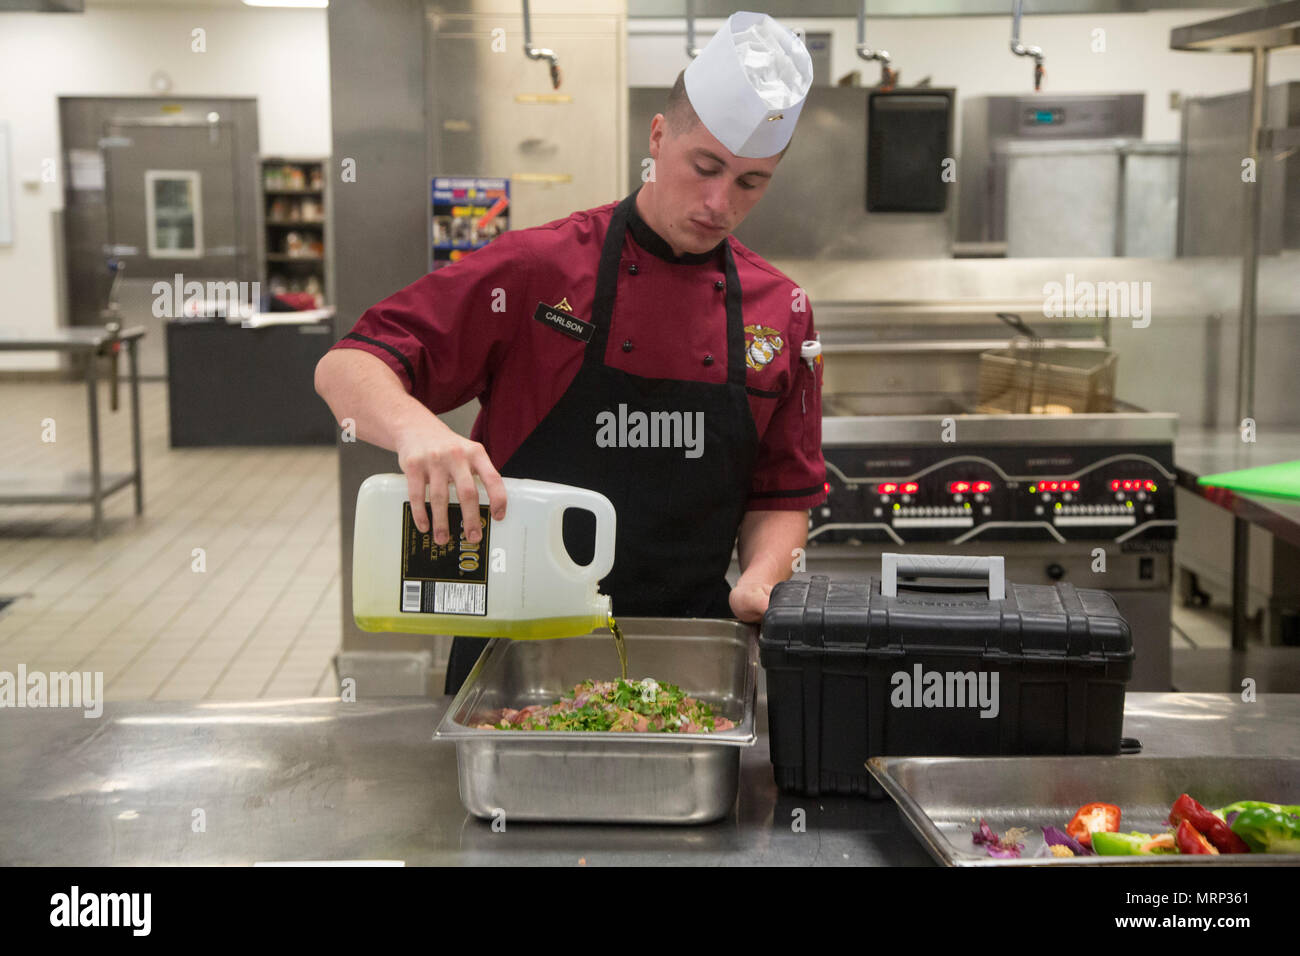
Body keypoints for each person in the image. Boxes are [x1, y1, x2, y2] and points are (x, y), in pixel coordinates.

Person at [315, 11, 825, 694]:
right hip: (517, 660)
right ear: (657, 135)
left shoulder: (780, 309)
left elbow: (781, 492)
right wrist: (418, 431)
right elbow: (346, 365)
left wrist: (763, 579)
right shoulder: (539, 269)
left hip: (690, 663)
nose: (717, 202)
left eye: (749, 183)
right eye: (705, 167)